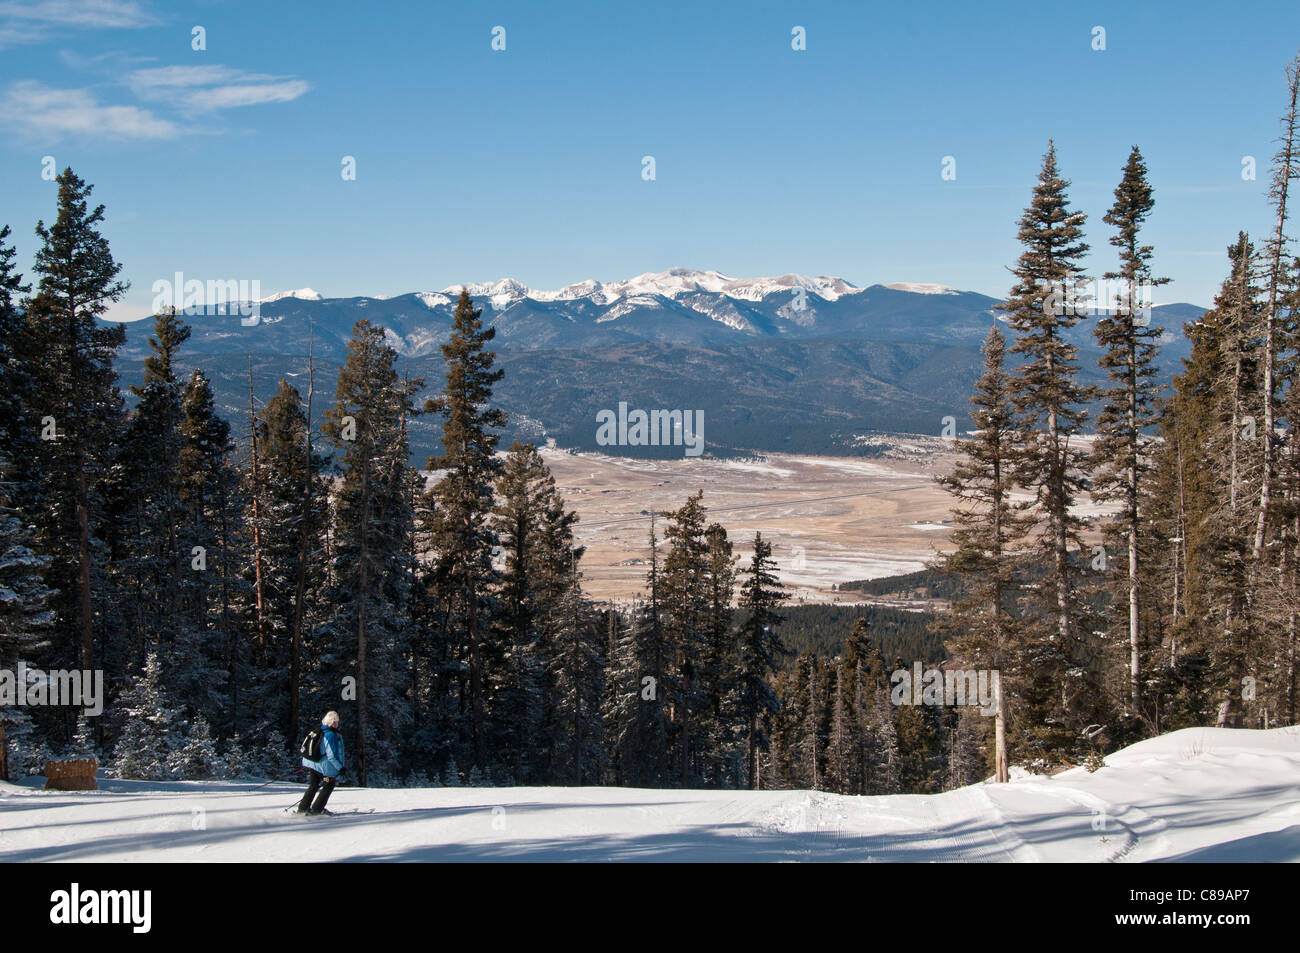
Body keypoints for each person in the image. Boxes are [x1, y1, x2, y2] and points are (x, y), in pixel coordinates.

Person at [297, 711, 344, 815]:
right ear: (333, 722)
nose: (338, 724)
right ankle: (317, 809)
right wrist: (340, 767)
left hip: (311, 763)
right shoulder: (331, 735)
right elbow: (331, 755)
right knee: (329, 784)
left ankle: (302, 809)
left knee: (313, 785)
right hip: (324, 767)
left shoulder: (316, 731)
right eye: (337, 721)